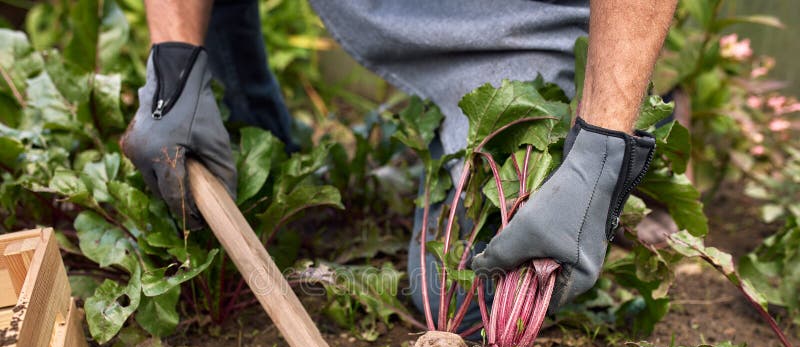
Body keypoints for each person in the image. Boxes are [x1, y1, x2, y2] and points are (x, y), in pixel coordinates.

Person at [121, 0, 678, 318]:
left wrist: (599, 151)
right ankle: (255, 140)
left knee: (463, 302)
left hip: (511, 24)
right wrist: (174, 62)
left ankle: (465, 136)